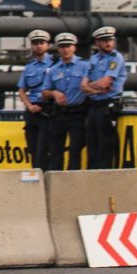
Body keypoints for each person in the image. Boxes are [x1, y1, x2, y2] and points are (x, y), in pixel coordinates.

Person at [82, 25, 127, 170]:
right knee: (92, 143)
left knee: (104, 144)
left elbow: (105, 82)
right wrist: (95, 90)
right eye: (104, 40)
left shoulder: (116, 58)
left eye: (110, 40)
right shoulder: (93, 58)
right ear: (97, 42)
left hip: (108, 106)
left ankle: (103, 176)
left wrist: (91, 86)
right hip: (94, 105)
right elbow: (83, 86)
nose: (108, 43)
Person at [42, 33, 87, 171]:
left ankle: (72, 183)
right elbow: (44, 92)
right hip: (59, 114)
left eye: (68, 46)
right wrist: (54, 93)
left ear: (74, 48)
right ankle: (56, 181)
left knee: (75, 150)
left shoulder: (85, 66)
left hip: (78, 113)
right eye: (62, 46)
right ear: (58, 49)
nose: (65, 49)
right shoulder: (53, 70)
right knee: (56, 151)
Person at [16, 29, 56, 169]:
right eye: (35, 43)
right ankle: (36, 180)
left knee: (43, 150)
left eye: (42, 43)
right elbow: (22, 90)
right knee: (33, 149)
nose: (38, 46)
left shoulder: (55, 64)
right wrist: (29, 106)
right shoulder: (29, 67)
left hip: (48, 111)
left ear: (47, 45)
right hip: (32, 111)